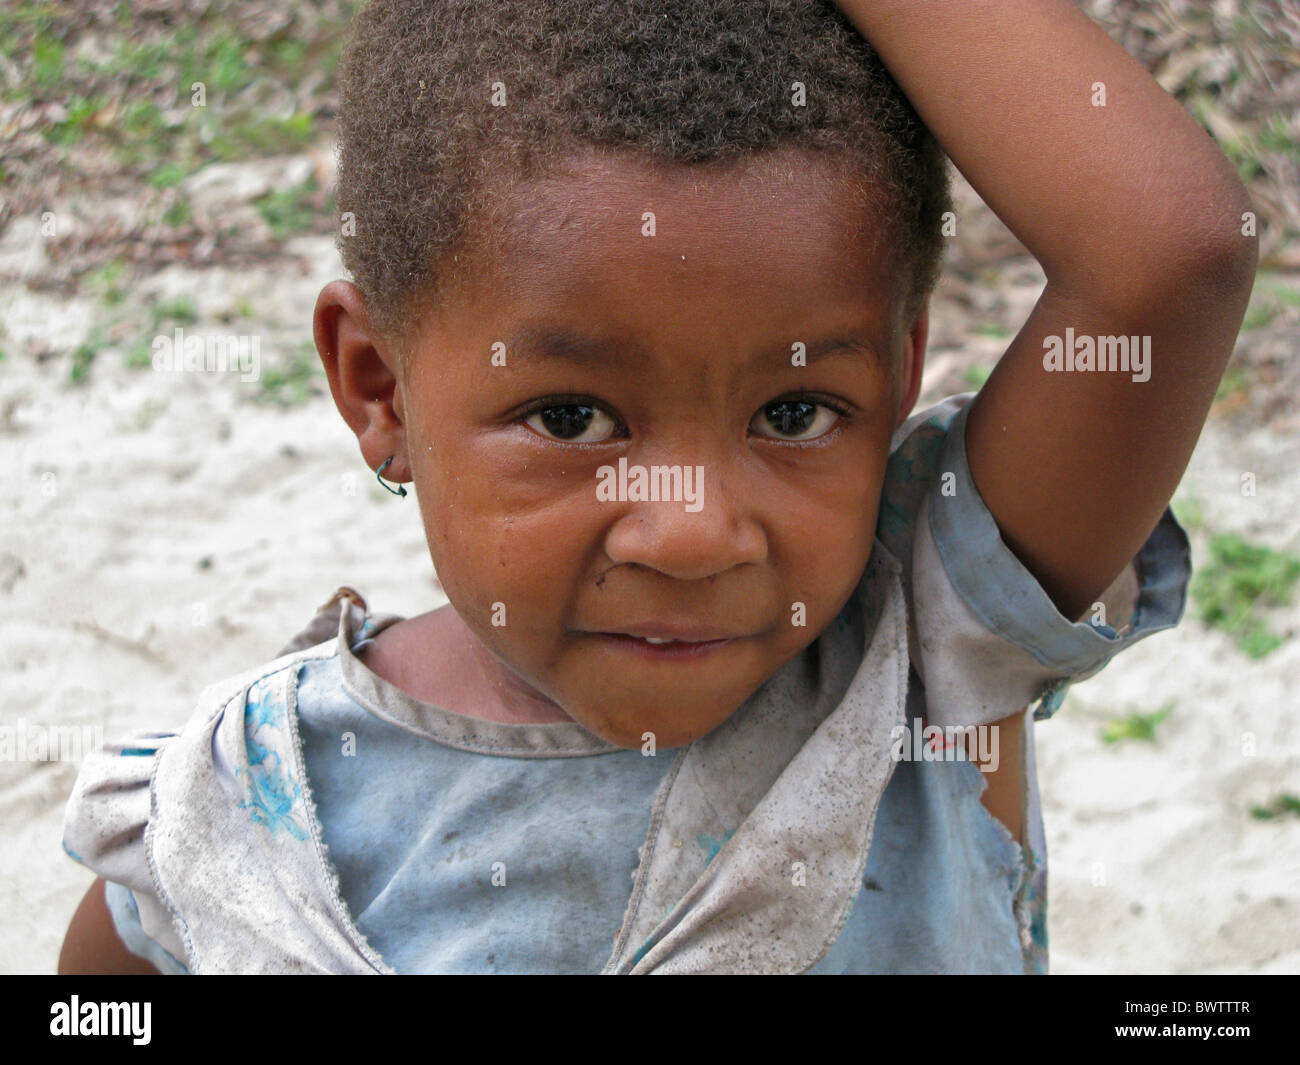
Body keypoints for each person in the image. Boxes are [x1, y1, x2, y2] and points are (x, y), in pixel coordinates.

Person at [57, 0, 1255, 974]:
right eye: (570, 418)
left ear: (893, 386)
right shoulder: (234, 826)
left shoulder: (925, 636)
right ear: (378, 389)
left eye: (793, 415)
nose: (693, 534)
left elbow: (1167, 256)